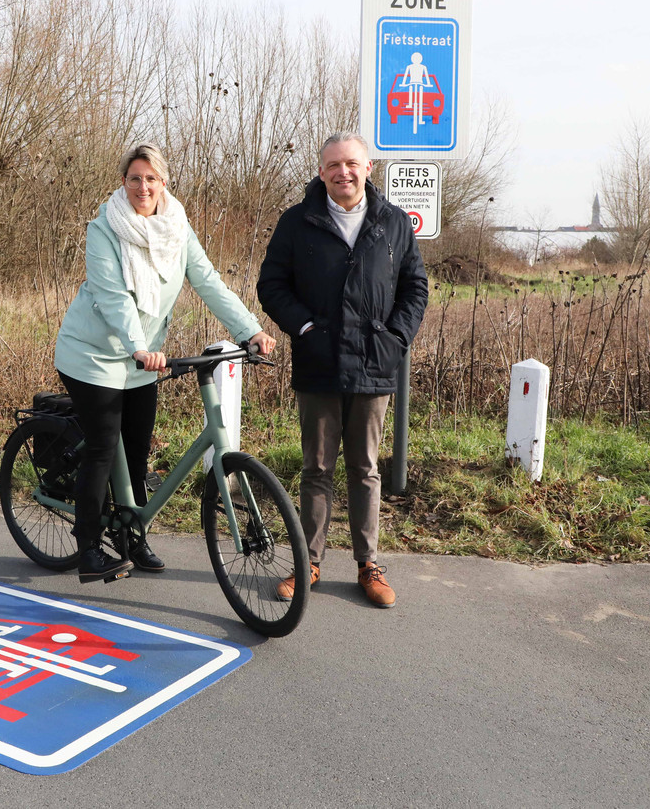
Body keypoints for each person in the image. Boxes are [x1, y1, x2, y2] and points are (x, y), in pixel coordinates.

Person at [55, 142, 276, 584]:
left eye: (151, 178)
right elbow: (112, 296)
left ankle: (131, 535)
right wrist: (138, 345)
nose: (143, 186)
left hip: (142, 360)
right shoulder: (103, 229)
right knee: (103, 447)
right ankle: (88, 548)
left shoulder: (177, 227)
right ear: (124, 181)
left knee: (136, 452)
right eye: (135, 178)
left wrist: (248, 329)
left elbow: (208, 280)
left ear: (164, 183)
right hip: (94, 355)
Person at [256, 132, 428, 608]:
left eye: (351, 163)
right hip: (318, 364)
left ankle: (367, 564)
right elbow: (271, 285)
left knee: (365, 468)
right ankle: (308, 563)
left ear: (368, 168)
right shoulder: (297, 222)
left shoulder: (393, 223)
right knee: (316, 468)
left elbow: (416, 287)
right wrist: (305, 327)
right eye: (333, 165)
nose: (343, 172)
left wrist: (395, 341)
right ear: (320, 172)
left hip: (375, 365)